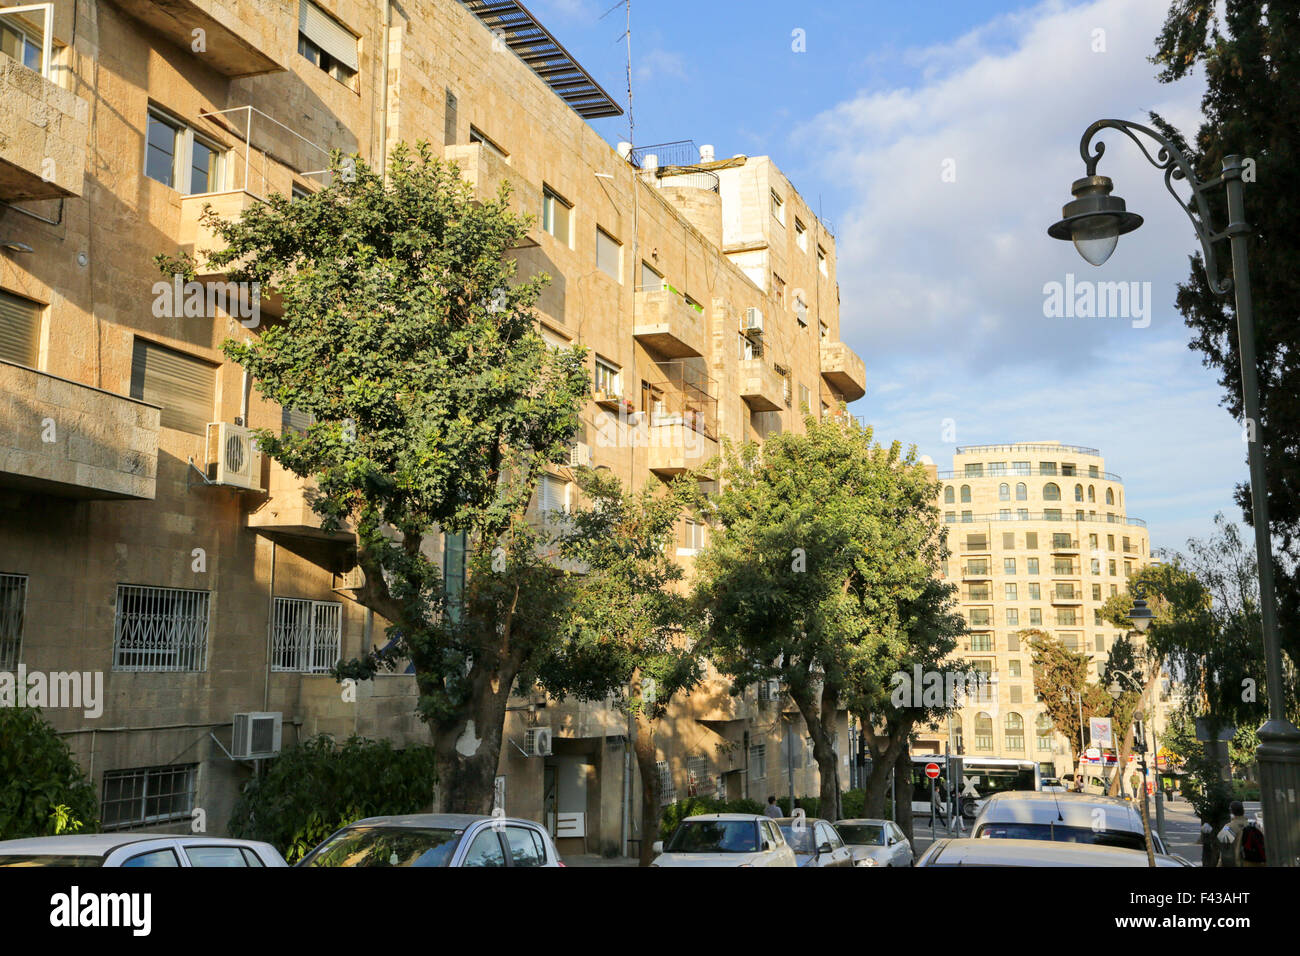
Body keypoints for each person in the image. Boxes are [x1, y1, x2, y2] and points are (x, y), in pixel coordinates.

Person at [1217, 801, 1248, 867]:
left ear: (1231, 811)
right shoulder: (1249, 824)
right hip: (1250, 861)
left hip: (1236, 861)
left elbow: (1223, 847)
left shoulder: (1230, 826)